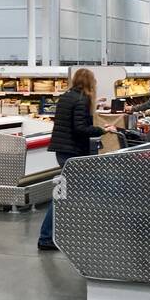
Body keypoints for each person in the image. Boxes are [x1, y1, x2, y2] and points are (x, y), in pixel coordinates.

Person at [38, 67, 105, 252]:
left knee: (68, 193)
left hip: (63, 149)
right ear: (90, 82)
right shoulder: (82, 99)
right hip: (72, 151)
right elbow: (80, 128)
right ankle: (45, 237)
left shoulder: (67, 96)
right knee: (62, 195)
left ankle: (60, 234)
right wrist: (101, 130)